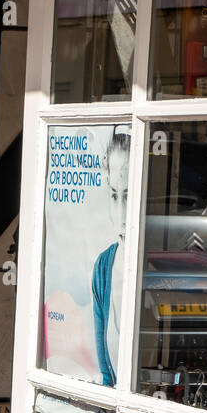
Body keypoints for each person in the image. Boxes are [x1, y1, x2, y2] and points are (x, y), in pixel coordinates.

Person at [91, 130, 130, 387]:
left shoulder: (153, 265)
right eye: (115, 194)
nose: (121, 211)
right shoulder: (104, 266)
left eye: (128, 195)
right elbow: (106, 373)